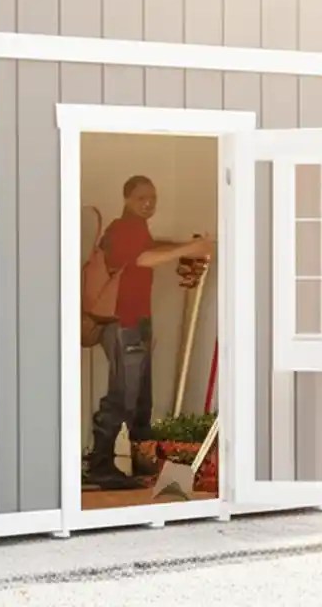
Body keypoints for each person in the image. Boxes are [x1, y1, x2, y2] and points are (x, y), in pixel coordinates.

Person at [86, 175, 214, 490]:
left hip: (138, 321)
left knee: (141, 399)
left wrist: (186, 248)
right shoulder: (122, 228)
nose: (149, 203)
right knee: (123, 397)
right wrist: (192, 247)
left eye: (153, 198)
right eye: (142, 197)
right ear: (127, 198)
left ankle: (145, 465)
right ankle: (100, 465)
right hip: (123, 322)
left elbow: (151, 248)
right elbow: (144, 258)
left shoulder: (139, 230)